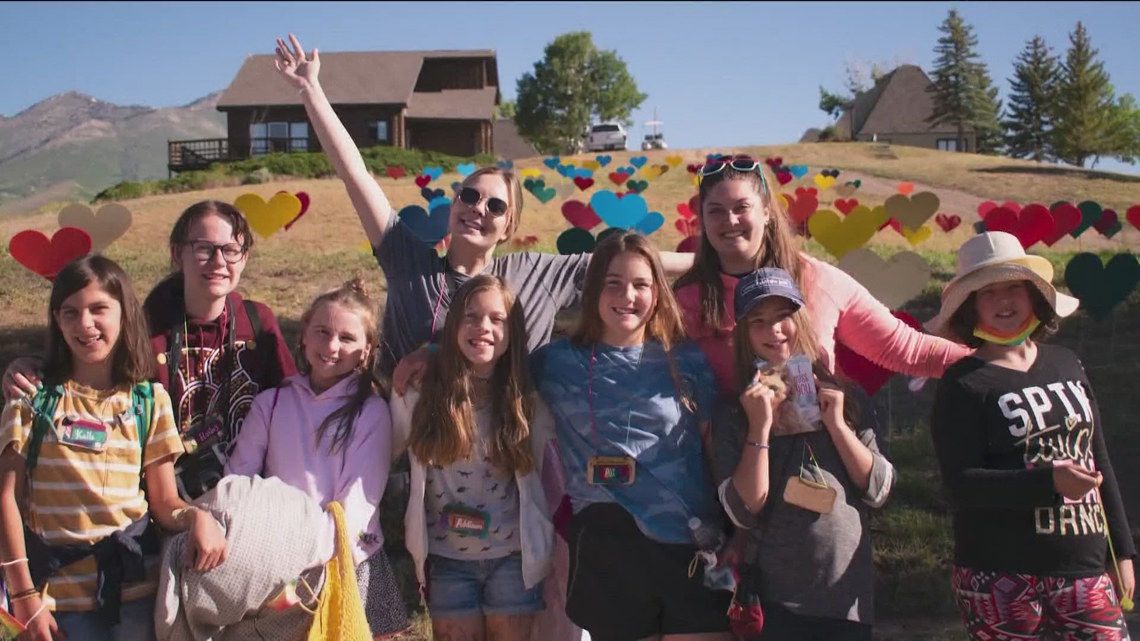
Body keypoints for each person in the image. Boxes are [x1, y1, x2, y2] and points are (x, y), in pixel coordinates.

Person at [271, 32, 692, 634]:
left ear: (510, 224)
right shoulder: (410, 261)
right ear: (453, 204)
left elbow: (635, 262)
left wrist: (734, 260)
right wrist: (312, 92)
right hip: (431, 488)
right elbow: (356, 175)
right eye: (471, 196)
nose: (479, 209)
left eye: (496, 205)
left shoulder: (532, 273)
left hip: (517, 486)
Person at [2, 200, 298, 502]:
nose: (219, 261)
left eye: (231, 250)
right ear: (176, 253)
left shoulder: (258, 322)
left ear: (244, 257)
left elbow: (294, 399)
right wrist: (31, 368)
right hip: (160, 496)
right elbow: (87, 364)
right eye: (203, 248)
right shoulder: (144, 324)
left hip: (248, 491)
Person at [0, 256, 228, 641]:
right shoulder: (30, 399)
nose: (85, 323)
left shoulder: (149, 401)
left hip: (137, 599)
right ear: (57, 321)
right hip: (55, 606)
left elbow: (164, 503)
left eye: (98, 309)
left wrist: (197, 518)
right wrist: (24, 595)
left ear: (124, 315)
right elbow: (6, 498)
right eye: (70, 312)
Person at [927, 231, 1135, 640]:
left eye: (1014, 288)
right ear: (971, 308)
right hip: (1001, 574)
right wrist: (1047, 483)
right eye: (989, 293)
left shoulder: (1067, 363)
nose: (1004, 301)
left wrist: (1123, 552)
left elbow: (1099, 460)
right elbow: (961, 484)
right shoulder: (964, 383)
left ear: (1034, 296)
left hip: (1085, 565)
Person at [530, 231, 731, 641]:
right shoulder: (555, 363)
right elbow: (485, 362)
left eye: (641, 284)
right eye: (613, 283)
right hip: (609, 548)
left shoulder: (686, 359)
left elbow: (712, 450)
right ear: (593, 292)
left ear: (657, 293)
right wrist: (426, 354)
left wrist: (736, 531)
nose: (628, 295)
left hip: (689, 543)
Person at [673, 155, 972, 398]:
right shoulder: (685, 298)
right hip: (725, 464)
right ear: (703, 220)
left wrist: (999, 363)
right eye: (716, 211)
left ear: (766, 212)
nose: (730, 220)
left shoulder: (817, 279)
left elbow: (907, 349)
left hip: (816, 458)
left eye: (742, 207)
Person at [710, 267, 895, 641]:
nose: (774, 330)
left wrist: (838, 426)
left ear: (802, 321)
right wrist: (759, 427)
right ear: (744, 333)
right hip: (772, 599)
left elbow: (878, 489)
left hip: (845, 594)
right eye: (758, 321)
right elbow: (745, 508)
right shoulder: (734, 413)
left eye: (783, 317)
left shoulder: (848, 397)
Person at [225, 277, 408, 638]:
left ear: (367, 350)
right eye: (322, 332)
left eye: (347, 338)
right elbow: (238, 481)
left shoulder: (371, 413)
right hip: (277, 562)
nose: (331, 346)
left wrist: (307, 558)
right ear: (303, 334)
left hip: (349, 562)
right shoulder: (272, 403)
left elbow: (356, 507)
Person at [390, 274, 554, 641]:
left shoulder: (527, 401)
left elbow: (550, 472)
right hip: (447, 561)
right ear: (452, 327)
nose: (483, 327)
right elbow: (383, 451)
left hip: (514, 560)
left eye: (497, 319)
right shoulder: (419, 396)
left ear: (513, 333)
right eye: (471, 317)